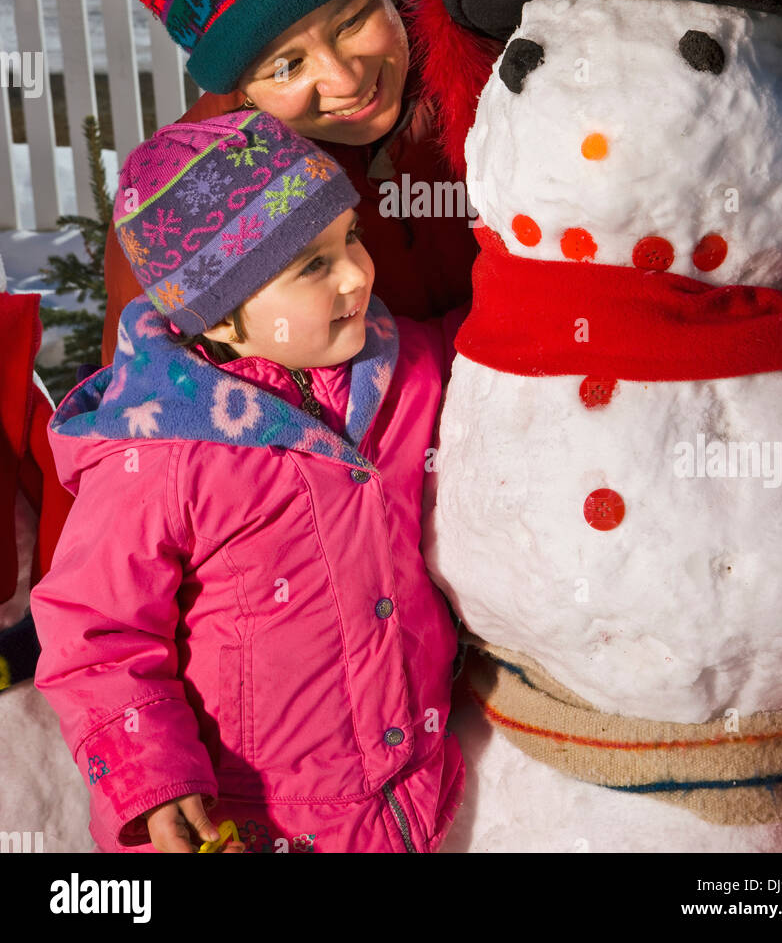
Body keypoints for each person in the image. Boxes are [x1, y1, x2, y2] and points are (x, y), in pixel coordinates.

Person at [30, 110, 467, 854]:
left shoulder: (407, 367)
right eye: (313, 266)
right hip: (254, 821)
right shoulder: (163, 447)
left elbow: (500, 348)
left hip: (419, 795)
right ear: (222, 319)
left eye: (351, 238)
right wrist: (151, 782)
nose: (359, 273)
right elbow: (95, 634)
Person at [100, 0, 488, 367]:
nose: (346, 81)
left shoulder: (504, 72)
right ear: (238, 83)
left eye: (352, 21)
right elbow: (154, 406)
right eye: (286, 66)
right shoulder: (186, 207)